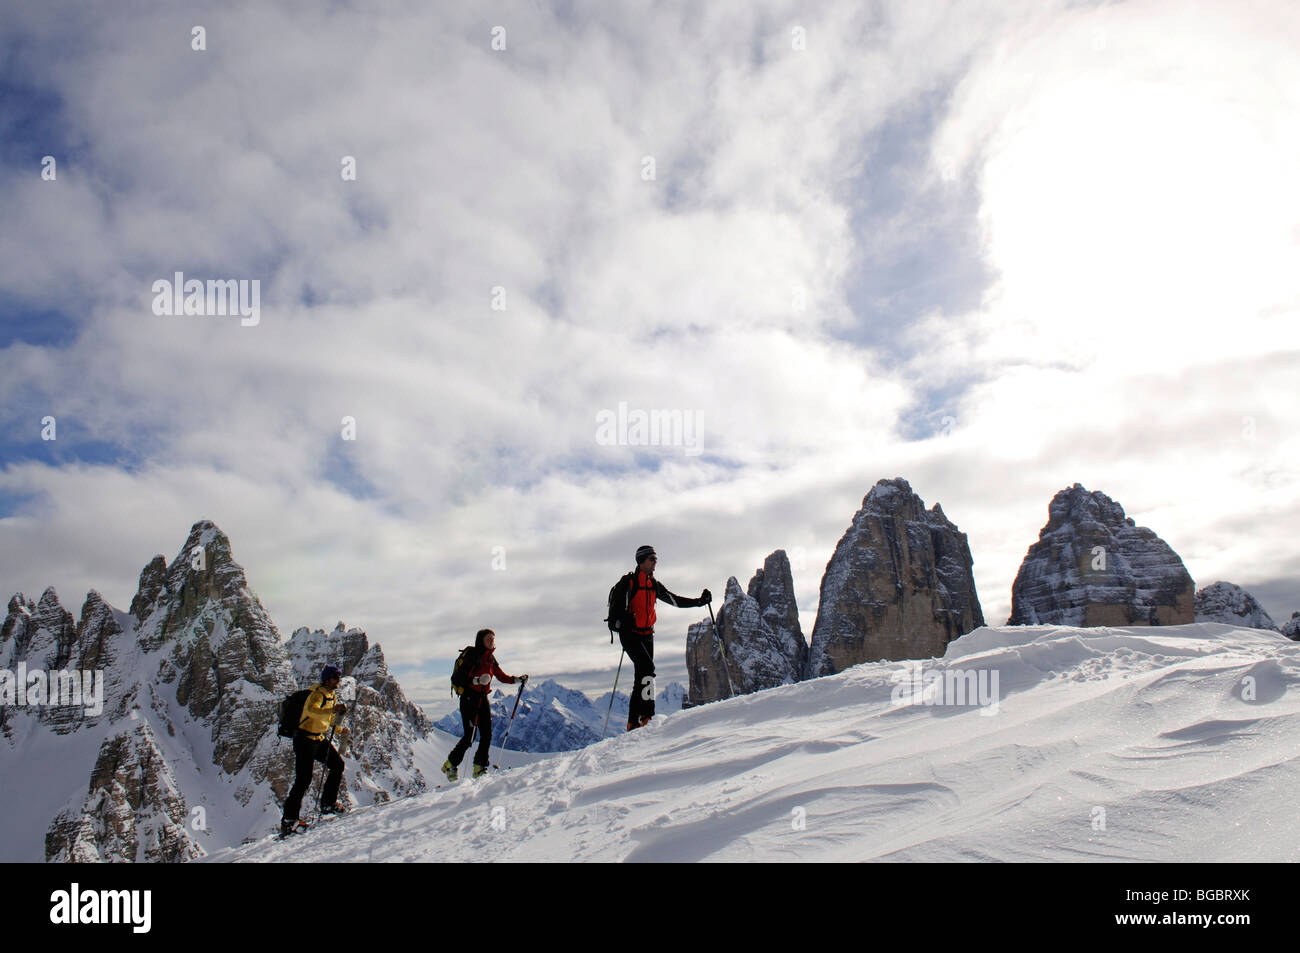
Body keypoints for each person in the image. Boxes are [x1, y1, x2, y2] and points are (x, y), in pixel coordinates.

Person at [616, 545, 710, 731]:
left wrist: (699, 602)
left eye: (655, 559)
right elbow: (618, 613)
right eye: (652, 559)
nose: (655, 562)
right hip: (630, 634)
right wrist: (624, 622)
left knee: (644, 675)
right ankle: (645, 716)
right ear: (641, 561)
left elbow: (675, 600)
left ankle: (635, 720)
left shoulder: (653, 584)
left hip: (647, 634)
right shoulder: (629, 583)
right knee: (647, 668)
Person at [442, 629, 527, 781]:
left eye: (493, 639)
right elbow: (457, 678)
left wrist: (517, 680)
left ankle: (479, 767)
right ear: (481, 640)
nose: (492, 642)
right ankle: (450, 764)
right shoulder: (472, 655)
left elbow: (501, 676)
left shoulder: (490, 659)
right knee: (470, 736)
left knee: (487, 734)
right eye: (489, 639)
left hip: (482, 698)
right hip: (469, 698)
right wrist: (477, 681)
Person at [280, 665, 351, 837]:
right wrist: (332, 709)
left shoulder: (331, 695)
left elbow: (328, 719)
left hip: (318, 738)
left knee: (337, 765)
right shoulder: (317, 694)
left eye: (339, 678)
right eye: (336, 678)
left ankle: (328, 804)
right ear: (327, 679)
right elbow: (312, 711)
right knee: (303, 779)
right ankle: (289, 821)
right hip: (304, 740)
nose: (338, 681)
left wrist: (341, 730)